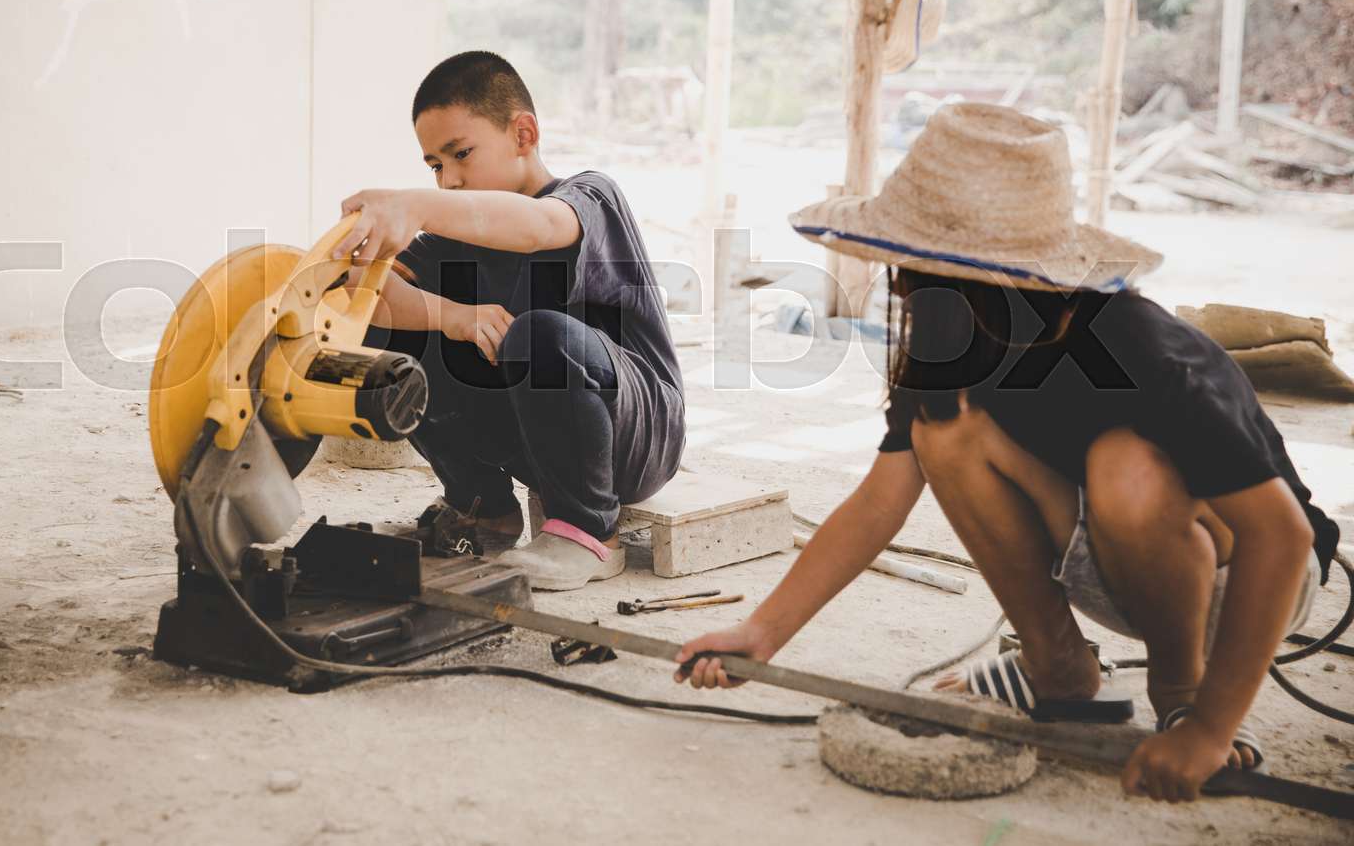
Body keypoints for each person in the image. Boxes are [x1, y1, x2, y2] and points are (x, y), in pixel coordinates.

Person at [672, 103, 1341, 804]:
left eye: (916, 268)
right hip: (1109, 560)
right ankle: (1058, 668)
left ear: (995, 278)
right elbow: (878, 501)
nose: (899, 285)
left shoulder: (1140, 345)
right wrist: (763, 630)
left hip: (1246, 584)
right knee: (944, 431)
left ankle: (1180, 687)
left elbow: (1283, 536)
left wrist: (1207, 729)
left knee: (1127, 466)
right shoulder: (950, 339)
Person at [335, 50, 684, 590]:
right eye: (434, 165)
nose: (447, 179)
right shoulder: (451, 237)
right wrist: (451, 316)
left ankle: (589, 532)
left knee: (537, 333)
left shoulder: (587, 198)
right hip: (536, 435)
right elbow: (368, 291)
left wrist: (417, 204)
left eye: (461, 154)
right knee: (384, 329)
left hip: (636, 433)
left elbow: (537, 228)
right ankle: (482, 506)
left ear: (523, 134)